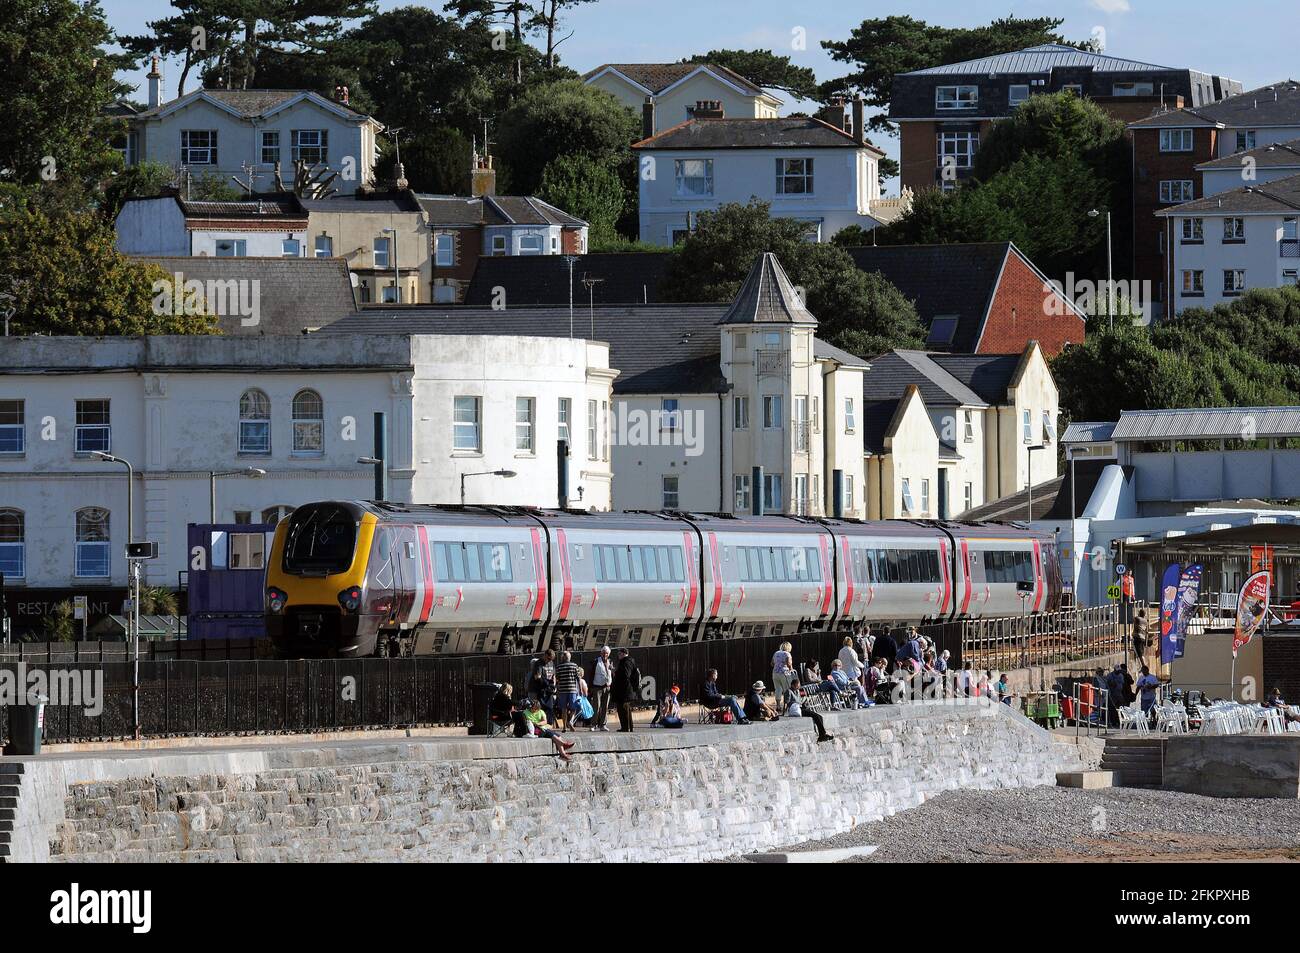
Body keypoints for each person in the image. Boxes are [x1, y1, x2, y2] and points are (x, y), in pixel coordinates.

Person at [522, 697, 575, 762]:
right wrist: (535, 724)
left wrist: (538, 723)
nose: (535, 710)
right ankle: (563, 748)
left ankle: (563, 751)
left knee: (558, 736)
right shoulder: (525, 712)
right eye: (534, 708)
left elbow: (545, 721)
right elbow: (526, 722)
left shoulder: (541, 712)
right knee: (552, 735)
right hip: (534, 730)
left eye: (536, 709)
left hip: (542, 728)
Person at [611, 648, 641, 733]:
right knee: (626, 709)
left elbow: (625, 675)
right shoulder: (630, 661)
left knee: (623, 709)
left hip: (624, 691)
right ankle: (629, 727)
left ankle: (625, 727)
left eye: (619, 654)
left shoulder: (626, 662)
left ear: (624, 654)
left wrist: (615, 672)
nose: (618, 656)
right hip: (627, 690)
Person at [554, 651, 581, 731]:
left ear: (563, 657)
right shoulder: (575, 666)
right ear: (570, 657)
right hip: (572, 690)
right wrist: (580, 690)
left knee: (564, 709)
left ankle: (565, 727)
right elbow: (578, 678)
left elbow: (557, 679)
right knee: (573, 708)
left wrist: (557, 689)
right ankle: (570, 721)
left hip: (562, 690)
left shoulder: (559, 667)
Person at [528, 649, 556, 723]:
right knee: (535, 707)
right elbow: (537, 676)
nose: (549, 661)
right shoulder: (538, 663)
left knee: (548, 708)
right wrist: (546, 683)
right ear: (545, 655)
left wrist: (553, 686)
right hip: (536, 689)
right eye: (549, 659)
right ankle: (534, 725)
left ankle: (545, 724)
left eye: (551, 659)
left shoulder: (551, 663)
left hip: (546, 690)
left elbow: (553, 676)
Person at [590, 645, 613, 731]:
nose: (604, 655)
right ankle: (593, 724)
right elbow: (591, 674)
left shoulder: (610, 662)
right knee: (596, 706)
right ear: (600, 653)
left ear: (608, 654)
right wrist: (591, 687)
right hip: (597, 687)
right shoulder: (596, 661)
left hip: (607, 687)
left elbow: (611, 673)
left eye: (606, 653)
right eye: (603, 653)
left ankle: (603, 725)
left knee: (605, 707)